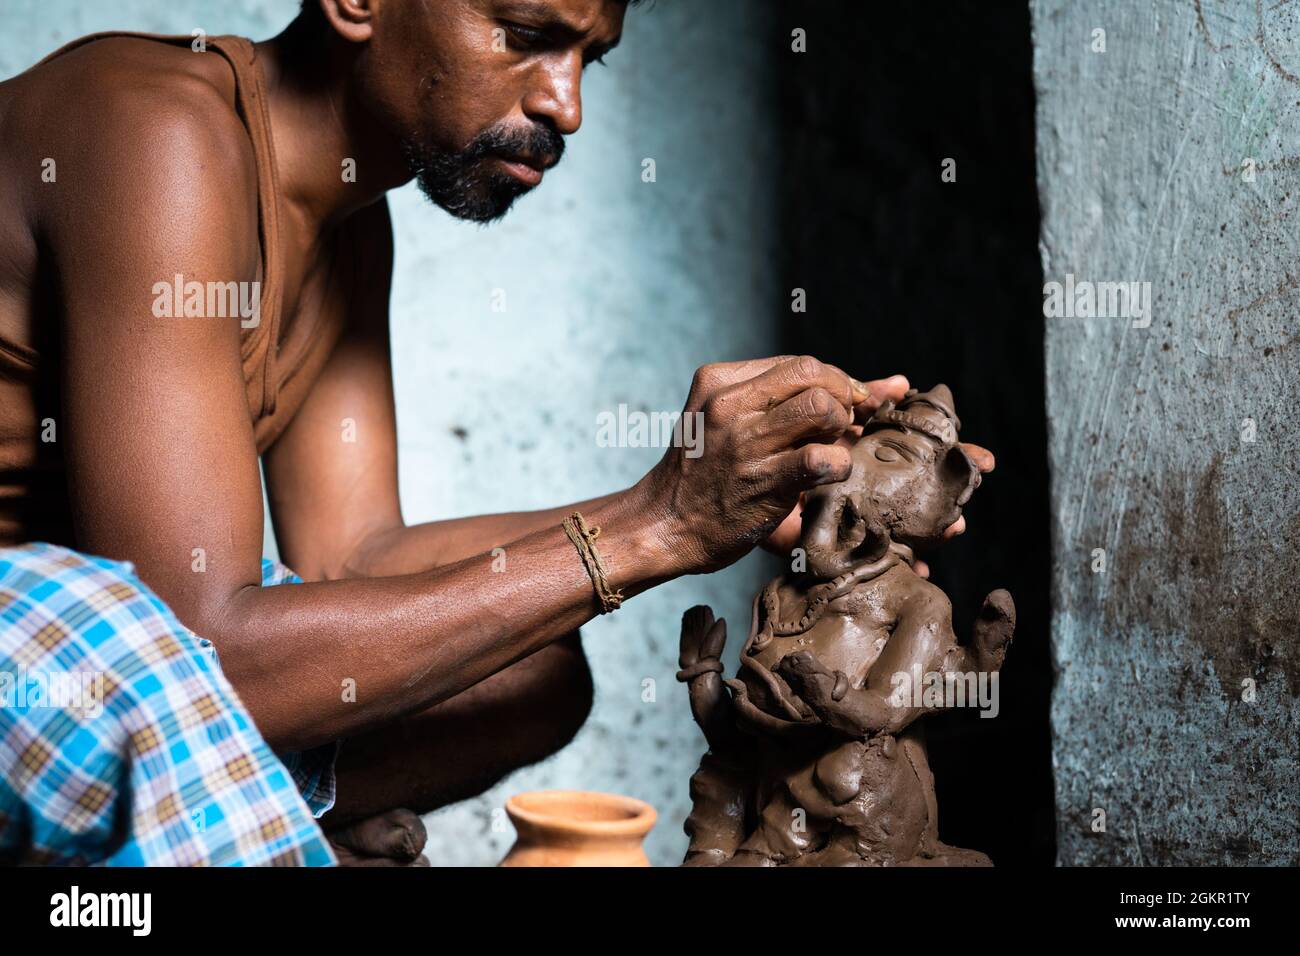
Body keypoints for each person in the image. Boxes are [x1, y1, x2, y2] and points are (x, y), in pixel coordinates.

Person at [0, 0, 991, 864]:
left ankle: (261, 834)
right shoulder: (155, 129)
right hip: (69, 639)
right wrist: (654, 527)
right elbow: (196, 653)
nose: (566, 106)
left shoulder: (348, 221)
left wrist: (711, 497)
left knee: (527, 671)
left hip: (99, 674)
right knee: (105, 614)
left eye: (586, 58)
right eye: (525, 36)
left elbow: (358, 556)